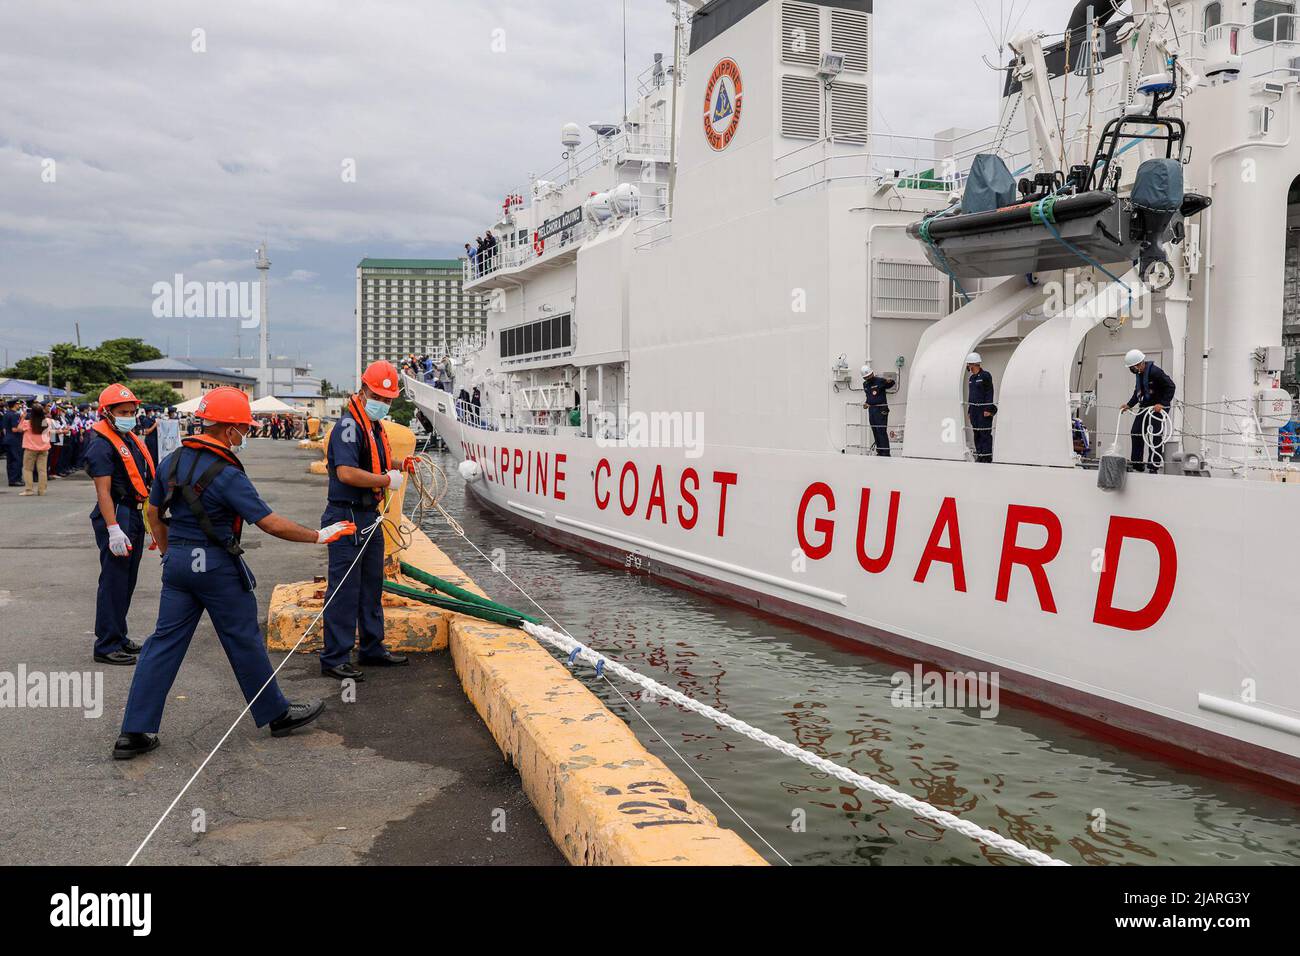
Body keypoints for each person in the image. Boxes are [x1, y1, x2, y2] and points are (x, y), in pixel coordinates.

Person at [113, 387, 353, 759]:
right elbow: (269, 523)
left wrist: (167, 551)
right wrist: (319, 536)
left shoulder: (172, 460)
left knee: (163, 643)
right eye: (243, 429)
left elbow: (153, 512)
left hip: (178, 563)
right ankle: (276, 714)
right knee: (243, 639)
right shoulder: (226, 474)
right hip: (215, 566)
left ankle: (135, 730)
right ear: (228, 430)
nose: (246, 435)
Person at [320, 361, 414, 682]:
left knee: (371, 585)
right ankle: (334, 656)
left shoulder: (372, 426)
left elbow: (377, 460)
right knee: (344, 589)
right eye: (379, 397)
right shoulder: (349, 426)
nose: (384, 404)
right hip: (345, 516)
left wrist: (401, 464)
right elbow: (346, 472)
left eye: (389, 400)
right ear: (363, 391)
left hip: (367, 516)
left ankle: (372, 646)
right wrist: (388, 481)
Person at [85, 384, 156, 665]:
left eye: (132, 411)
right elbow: (103, 491)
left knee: (127, 580)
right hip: (116, 513)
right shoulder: (101, 444)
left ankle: (118, 634)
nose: (130, 415)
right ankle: (106, 645)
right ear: (107, 413)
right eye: (123, 412)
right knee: (114, 580)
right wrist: (113, 528)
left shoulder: (127, 438)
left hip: (133, 513)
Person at [1120, 349, 1175, 474]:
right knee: (1136, 432)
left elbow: (1170, 386)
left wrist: (1163, 404)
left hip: (1157, 408)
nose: (1131, 371)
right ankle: (1137, 464)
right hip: (1145, 407)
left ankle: (1153, 465)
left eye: (1132, 368)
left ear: (1139, 364)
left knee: (1155, 435)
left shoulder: (1156, 372)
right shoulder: (1139, 374)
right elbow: (1137, 392)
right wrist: (1129, 405)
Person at [966, 353, 997, 463]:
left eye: (969, 364)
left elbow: (989, 392)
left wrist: (988, 409)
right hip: (974, 410)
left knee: (985, 433)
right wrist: (969, 411)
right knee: (977, 433)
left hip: (983, 409)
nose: (968, 367)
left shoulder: (985, 375)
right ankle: (979, 454)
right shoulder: (972, 378)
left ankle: (987, 456)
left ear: (973, 364)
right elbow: (971, 395)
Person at [17, 401, 53, 496]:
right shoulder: (47, 421)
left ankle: (29, 490)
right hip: (44, 448)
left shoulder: (27, 423)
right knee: (42, 470)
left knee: (28, 469)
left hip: (30, 448)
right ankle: (42, 490)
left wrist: (22, 418)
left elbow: (19, 429)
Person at [861, 365, 896, 457]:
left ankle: (885, 452)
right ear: (864, 378)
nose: (868, 377)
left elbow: (890, 384)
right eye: (866, 377)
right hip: (872, 410)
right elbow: (869, 397)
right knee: (875, 431)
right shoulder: (865, 384)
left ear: (872, 373)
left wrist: (890, 381)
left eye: (869, 375)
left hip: (881, 409)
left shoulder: (879, 381)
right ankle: (879, 451)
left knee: (881, 431)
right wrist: (866, 403)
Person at [3, 399, 24, 486]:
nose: (19, 406)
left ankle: (12, 479)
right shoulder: (15, 415)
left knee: (10, 461)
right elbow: (15, 429)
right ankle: (15, 479)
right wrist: (22, 419)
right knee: (17, 460)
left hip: (8, 439)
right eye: (18, 404)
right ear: (15, 405)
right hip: (15, 440)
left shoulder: (6, 414)